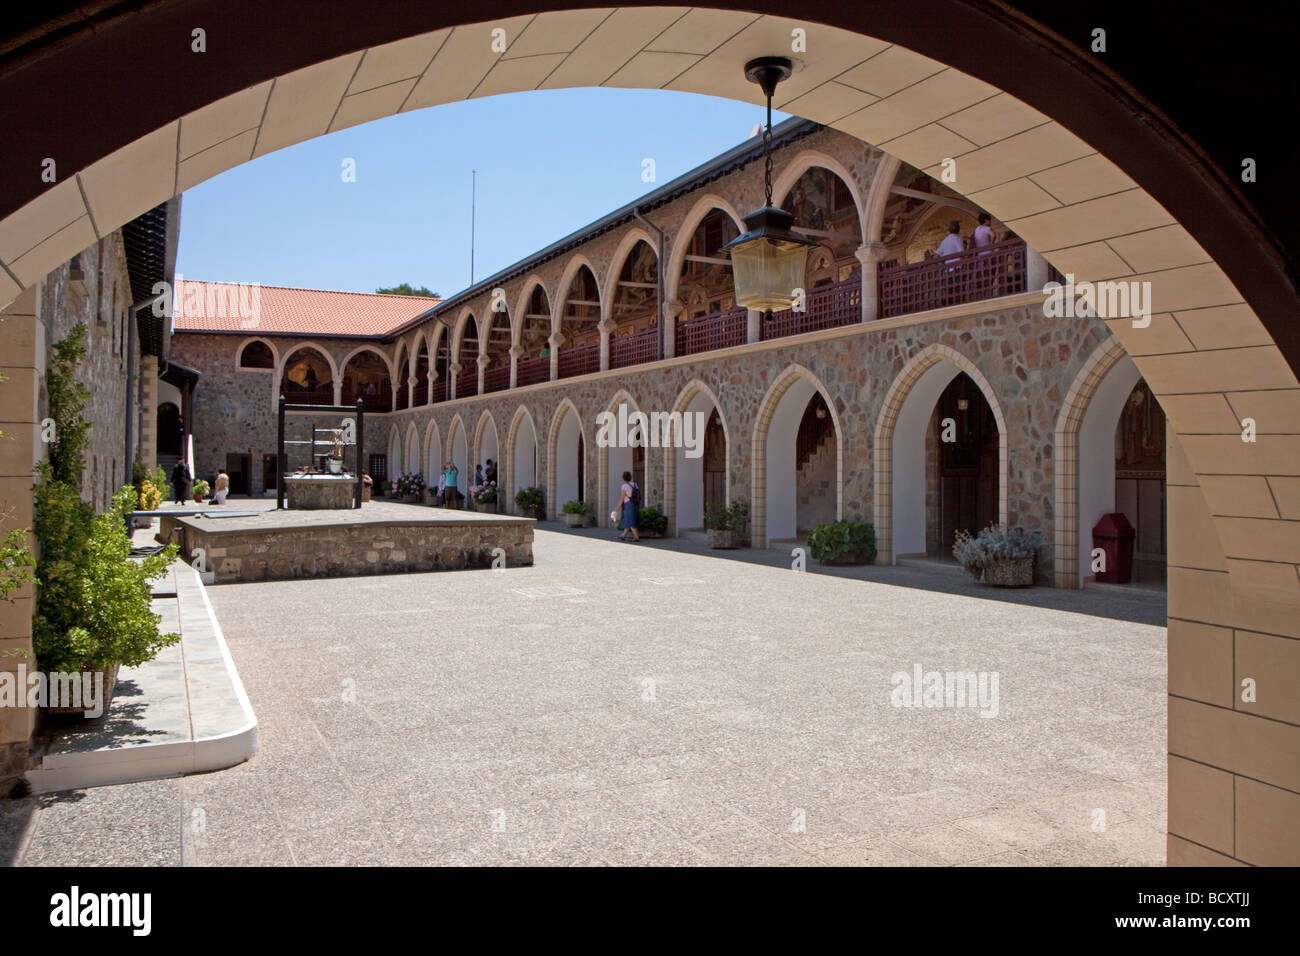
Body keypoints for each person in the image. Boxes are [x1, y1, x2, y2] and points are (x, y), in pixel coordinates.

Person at [616, 470, 640, 542]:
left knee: (630, 519)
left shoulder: (624, 486)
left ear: (623, 478)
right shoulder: (635, 484)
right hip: (635, 503)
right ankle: (623, 535)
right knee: (628, 519)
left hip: (629, 504)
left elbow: (622, 497)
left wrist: (617, 508)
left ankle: (636, 537)